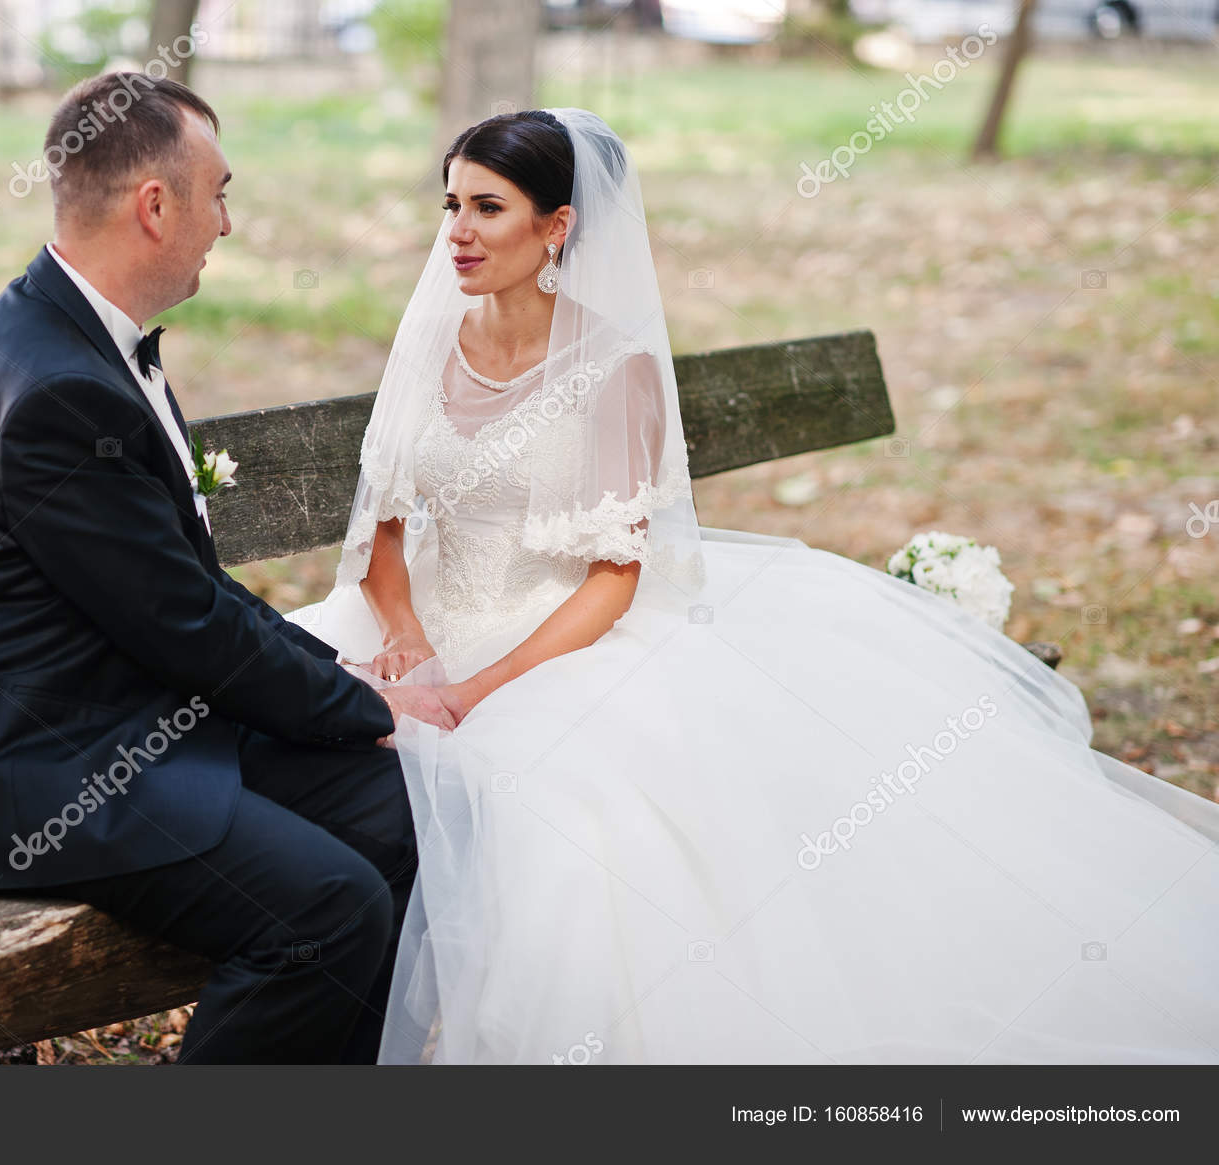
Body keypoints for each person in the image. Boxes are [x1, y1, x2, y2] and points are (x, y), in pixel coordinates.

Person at [285, 107, 1219, 1064]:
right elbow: (384, 528)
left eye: (488, 207)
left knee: (573, 839)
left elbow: (613, 579)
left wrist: (469, 695)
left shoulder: (613, 368)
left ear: (556, 226)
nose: (458, 231)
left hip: (564, 641)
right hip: (427, 623)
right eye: (450, 205)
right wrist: (404, 634)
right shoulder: (430, 342)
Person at [0, 73, 453, 1064]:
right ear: (156, 206)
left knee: (411, 816)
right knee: (329, 908)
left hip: (136, 722)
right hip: (42, 772)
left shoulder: (81, 338)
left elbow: (186, 594)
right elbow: (183, 624)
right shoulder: (55, 389)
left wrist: (348, 690)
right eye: (220, 193)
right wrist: (365, 709)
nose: (226, 224)